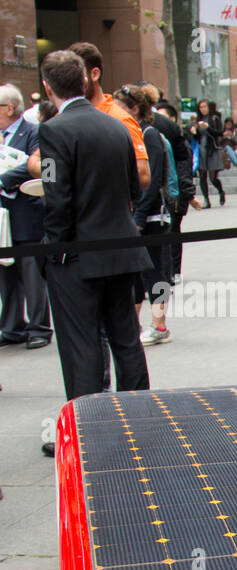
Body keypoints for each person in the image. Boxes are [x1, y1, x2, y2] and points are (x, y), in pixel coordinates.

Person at [37, 49, 152, 455]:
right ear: (85, 82)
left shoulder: (53, 131)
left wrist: (56, 249)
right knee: (126, 338)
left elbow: (56, 197)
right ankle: (139, 417)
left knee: (81, 343)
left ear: (48, 87)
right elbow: (136, 189)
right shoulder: (117, 125)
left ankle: (87, 428)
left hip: (79, 255)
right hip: (121, 246)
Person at [113, 85, 172, 347]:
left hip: (151, 217)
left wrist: (138, 218)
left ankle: (159, 324)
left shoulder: (149, 135)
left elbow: (152, 179)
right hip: (137, 215)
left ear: (134, 109)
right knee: (137, 274)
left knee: (154, 273)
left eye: (120, 108)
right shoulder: (132, 133)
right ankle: (135, 324)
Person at [0, 83, 49, 349]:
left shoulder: (34, 132)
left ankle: (38, 327)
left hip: (27, 213)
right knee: (5, 272)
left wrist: (3, 179)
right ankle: (11, 326)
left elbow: (38, 165)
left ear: (9, 108)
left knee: (31, 272)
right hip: (2, 216)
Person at [66, 42, 149, 192]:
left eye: (77, 76)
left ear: (94, 74)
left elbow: (142, 176)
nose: (71, 83)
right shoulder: (57, 121)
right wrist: (52, 179)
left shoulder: (120, 119)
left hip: (107, 211)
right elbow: (43, 161)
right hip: (66, 212)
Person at [141, 85, 195, 284]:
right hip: (169, 188)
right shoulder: (169, 125)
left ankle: (156, 280)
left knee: (154, 236)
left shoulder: (141, 127)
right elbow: (183, 157)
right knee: (170, 232)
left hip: (152, 189)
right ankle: (171, 274)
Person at [189, 98, 225, 206]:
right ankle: (206, 200)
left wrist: (208, 128)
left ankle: (221, 192)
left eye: (205, 106)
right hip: (201, 150)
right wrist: (194, 132)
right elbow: (197, 137)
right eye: (201, 107)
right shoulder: (197, 120)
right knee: (202, 175)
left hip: (212, 149)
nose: (203, 109)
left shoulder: (215, 118)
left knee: (213, 177)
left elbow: (219, 133)